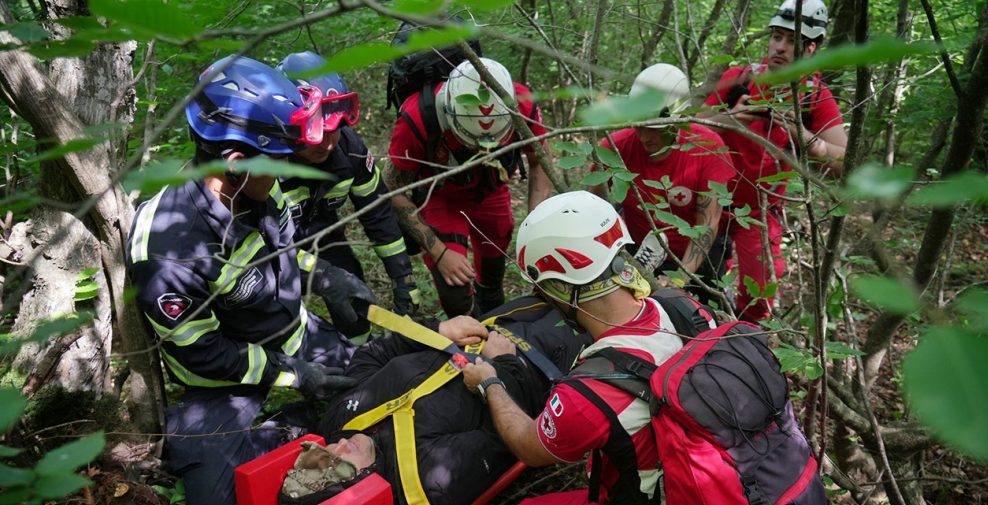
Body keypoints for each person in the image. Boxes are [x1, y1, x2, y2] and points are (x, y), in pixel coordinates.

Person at [126, 56, 374, 505]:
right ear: (236, 163)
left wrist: (320, 275)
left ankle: (303, 417)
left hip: (294, 336)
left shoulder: (257, 188)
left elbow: (278, 250)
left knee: (378, 380)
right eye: (279, 161)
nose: (285, 173)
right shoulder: (170, 249)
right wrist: (292, 376)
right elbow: (201, 353)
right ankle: (290, 424)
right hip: (220, 385)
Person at [461, 191, 704, 505]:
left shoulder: (592, 392)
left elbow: (529, 447)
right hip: (719, 491)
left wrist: (490, 380)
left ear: (559, 288)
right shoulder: (684, 308)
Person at [317, 298, 590, 505]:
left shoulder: (341, 421)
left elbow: (373, 355)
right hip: (534, 363)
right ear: (360, 492)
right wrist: (505, 364)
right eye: (338, 465)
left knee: (563, 286)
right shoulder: (430, 481)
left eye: (322, 454)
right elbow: (509, 437)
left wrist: (439, 330)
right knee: (602, 310)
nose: (339, 446)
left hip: (485, 329)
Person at [701, 0, 847, 321]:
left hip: (760, 211)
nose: (780, 48)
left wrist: (803, 136)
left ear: (812, 48)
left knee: (759, 297)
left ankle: (742, 344)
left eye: (792, 41)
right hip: (711, 202)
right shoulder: (738, 77)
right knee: (698, 284)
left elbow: (842, 163)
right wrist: (730, 118)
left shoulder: (814, 96)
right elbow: (691, 128)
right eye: (777, 37)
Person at [383, 57, 553, 318]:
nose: (483, 150)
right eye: (472, 143)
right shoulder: (419, 116)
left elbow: (541, 160)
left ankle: (492, 313)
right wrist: (439, 252)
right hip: (441, 197)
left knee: (493, 272)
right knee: (455, 290)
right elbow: (392, 190)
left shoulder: (521, 103)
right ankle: (469, 332)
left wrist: (535, 221)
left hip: (492, 190)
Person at [276, 52, 416, 345]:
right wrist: (323, 276)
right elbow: (258, 249)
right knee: (275, 314)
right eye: (316, 130)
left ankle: (358, 358)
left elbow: (377, 213)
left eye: (335, 130)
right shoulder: (264, 161)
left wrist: (403, 277)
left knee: (354, 297)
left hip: (323, 233)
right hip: (266, 253)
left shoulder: (350, 149)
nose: (328, 143)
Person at [594, 63, 735, 304]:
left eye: (655, 129)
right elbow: (593, 205)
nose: (644, 136)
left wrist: (681, 279)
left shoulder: (707, 148)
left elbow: (707, 224)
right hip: (639, 251)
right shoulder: (615, 149)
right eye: (639, 125)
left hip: (700, 258)